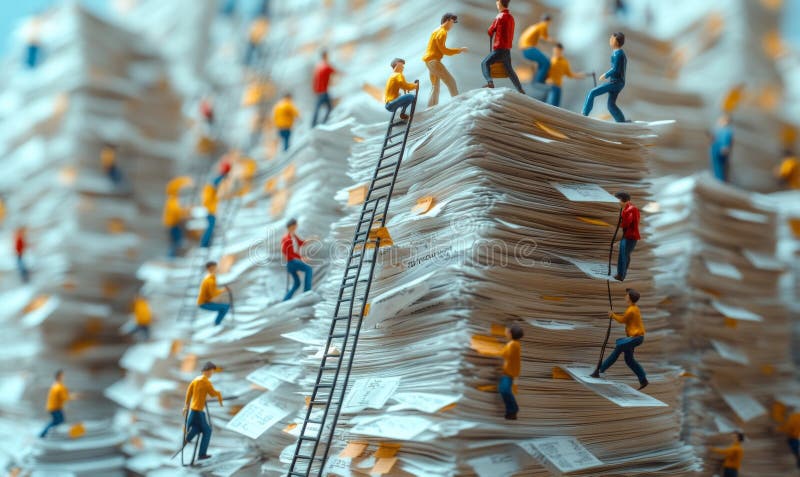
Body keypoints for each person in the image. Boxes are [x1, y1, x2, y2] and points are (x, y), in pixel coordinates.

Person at [597, 288, 648, 389]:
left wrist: (612, 315)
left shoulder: (631, 310)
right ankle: (643, 380)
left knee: (618, 347)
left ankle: (600, 370)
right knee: (629, 360)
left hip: (636, 338)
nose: (625, 296)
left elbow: (622, 320)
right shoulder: (634, 308)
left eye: (627, 295)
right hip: (635, 337)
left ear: (630, 298)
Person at [422, 13, 468, 108]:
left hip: (428, 61)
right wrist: (459, 50)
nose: (452, 25)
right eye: (452, 22)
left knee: (435, 86)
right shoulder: (442, 32)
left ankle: (430, 108)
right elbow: (444, 50)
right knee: (451, 82)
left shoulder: (436, 30)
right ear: (447, 20)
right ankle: (457, 104)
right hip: (434, 61)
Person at [481, 0, 525, 94]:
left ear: (500, 3)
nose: (496, 5)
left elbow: (491, 30)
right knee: (509, 71)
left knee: (485, 63)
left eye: (497, 3)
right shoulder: (511, 18)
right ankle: (520, 89)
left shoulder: (500, 16)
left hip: (499, 48)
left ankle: (490, 83)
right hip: (507, 48)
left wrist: (490, 31)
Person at [582, 32, 627, 123]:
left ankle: (584, 114)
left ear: (617, 42)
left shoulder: (618, 54)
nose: (610, 40)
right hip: (618, 82)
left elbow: (615, 69)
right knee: (611, 105)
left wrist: (605, 75)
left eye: (612, 39)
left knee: (592, 92)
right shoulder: (617, 53)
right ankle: (622, 121)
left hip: (615, 83)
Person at [182, 362, 223, 461]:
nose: (211, 374)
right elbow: (213, 394)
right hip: (199, 411)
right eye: (211, 372)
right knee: (207, 431)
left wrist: (186, 405)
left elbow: (188, 393)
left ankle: (188, 438)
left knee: (197, 428)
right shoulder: (206, 382)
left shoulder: (195, 380)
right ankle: (201, 454)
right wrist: (219, 394)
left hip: (193, 409)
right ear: (208, 371)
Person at [519, 14, 555, 85]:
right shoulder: (543, 25)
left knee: (542, 63)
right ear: (549, 21)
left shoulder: (535, 26)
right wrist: (556, 42)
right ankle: (538, 82)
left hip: (524, 49)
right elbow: (545, 38)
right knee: (546, 62)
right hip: (529, 49)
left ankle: (535, 80)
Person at [282, 218, 313, 301]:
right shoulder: (286, 238)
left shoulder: (293, 236)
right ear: (292, 226)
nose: (297, 226)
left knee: (297, 283)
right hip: (291, 262)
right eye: (295, 225)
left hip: (292, 262)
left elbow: (301, 243)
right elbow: (288, 252)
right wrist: (302, 259)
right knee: (308, 269)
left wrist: (311, 239)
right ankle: (307, 293)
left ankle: (285, 300)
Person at [613, 191, 640, 282]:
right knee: (626, 255)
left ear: (623, 200)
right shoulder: (629, 208)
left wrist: (622, 220)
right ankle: (623, 273)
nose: (618, 202)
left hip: (630, 237)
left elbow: (626, 224)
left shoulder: (630, 210)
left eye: (618, 200)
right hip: (629, 236)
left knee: (623, 255)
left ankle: (621, 275)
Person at [498, 324, 522, 420]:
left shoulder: (513, 344)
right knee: (504, 389)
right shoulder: (514, 344)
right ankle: (512, 410)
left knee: (504, 390)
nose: (505, 332)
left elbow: (504, 354)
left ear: (511, 333)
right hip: (509, 372)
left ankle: (513, 409)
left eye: (507, 331)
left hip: (508, 373)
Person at [197, 262, 230, 326]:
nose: (216, 270)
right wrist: (223, 290)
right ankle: (217, 323)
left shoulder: (211, 278)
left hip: (207, 301)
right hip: (204, 303)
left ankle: (217, 323)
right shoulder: (210, 280)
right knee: (225, 307)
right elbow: (213, 294)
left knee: (225, 306)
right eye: (214, 268)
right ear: (210, 269)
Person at [40, 370, 70, 438]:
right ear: (59, 376)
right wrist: (74, 396)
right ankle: (44, 434)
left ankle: (46, 433)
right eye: (62, 376)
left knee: (58, 421)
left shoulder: (56, 385)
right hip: (55, 407)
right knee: (57, 421)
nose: (64, 377)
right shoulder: (58, 386)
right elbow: (64, 397)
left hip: (54, 407)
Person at [312, 51, 338, 127]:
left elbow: (315, 79)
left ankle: (318, 123)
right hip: (323, 91)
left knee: (324, 107)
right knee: (326, 107)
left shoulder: (318, 66)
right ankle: (319, 124)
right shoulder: (325, 66)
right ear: (325, 56)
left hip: (319, 90)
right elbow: (334, 71)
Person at [709, 115, 734, 182]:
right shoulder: (717, 130)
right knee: (717, 168)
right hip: (716, 152)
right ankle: (718, 181)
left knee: (721, 169)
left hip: (720, 152)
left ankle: (720, 182)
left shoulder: (727, 131)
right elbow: (713, 138)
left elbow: (726, 141)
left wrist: (725, 148)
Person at [163, 193, 187, 258]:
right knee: (176, 242)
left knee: (175, 242)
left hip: (172, 224)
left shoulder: (171, 201)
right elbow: (177, 211)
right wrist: (184, 212)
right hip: (173, 224)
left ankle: (172, 256)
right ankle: (171, 257)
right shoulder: (173, 202)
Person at [201, 184, 218, 248]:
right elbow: (206, 202)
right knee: (210, 229)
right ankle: (204, 244)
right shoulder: (209, 192)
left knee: (211, 229)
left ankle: (206, 243)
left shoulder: (212, 192)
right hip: (210, 213)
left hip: (212, 212)